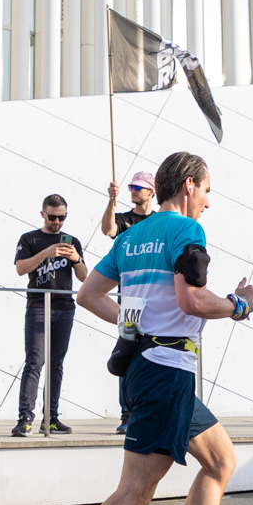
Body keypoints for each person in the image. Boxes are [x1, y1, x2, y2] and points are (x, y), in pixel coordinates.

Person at [24, 153, 253, 505]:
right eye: (207, 190)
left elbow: (88, 295)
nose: (209, 200)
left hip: (143, 368)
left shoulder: (130, 236)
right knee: (133, 493)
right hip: (165, 374)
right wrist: (238, 306)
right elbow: (193, 302)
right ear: (190, 186)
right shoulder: (186, 234)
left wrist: (136, 326)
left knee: (220, 461)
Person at [13, 194, 89, 436]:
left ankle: (51, 417)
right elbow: (20, 269)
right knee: (35, 361)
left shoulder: (72, 241)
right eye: (52, 217)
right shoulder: (30, 239)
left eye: (62, 217)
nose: (57, 222)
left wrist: (76, 259)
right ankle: (25, 417)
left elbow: (85, 277)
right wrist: (45, 254)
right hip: (38, 305)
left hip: (64, 307)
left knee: (56, 365)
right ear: (43, 214)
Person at [101, 171, 158, 434]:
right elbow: (108, 229)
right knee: (127, 351)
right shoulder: (124, 219)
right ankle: (127, 414)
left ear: (152, 192)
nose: (134, 190)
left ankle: (148, 409)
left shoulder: (159, 222)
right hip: (130, 300)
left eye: (139, 187)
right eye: (132, 186)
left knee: (156, 352)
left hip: (156, 297)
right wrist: (112, 200)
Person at [100, 170, 157, 237]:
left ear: (151, 192)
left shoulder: (159, 220)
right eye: (131, 187)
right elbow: (107, 230)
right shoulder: (123, 219)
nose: (133, 191)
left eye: (137, 188)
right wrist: (111, 199)